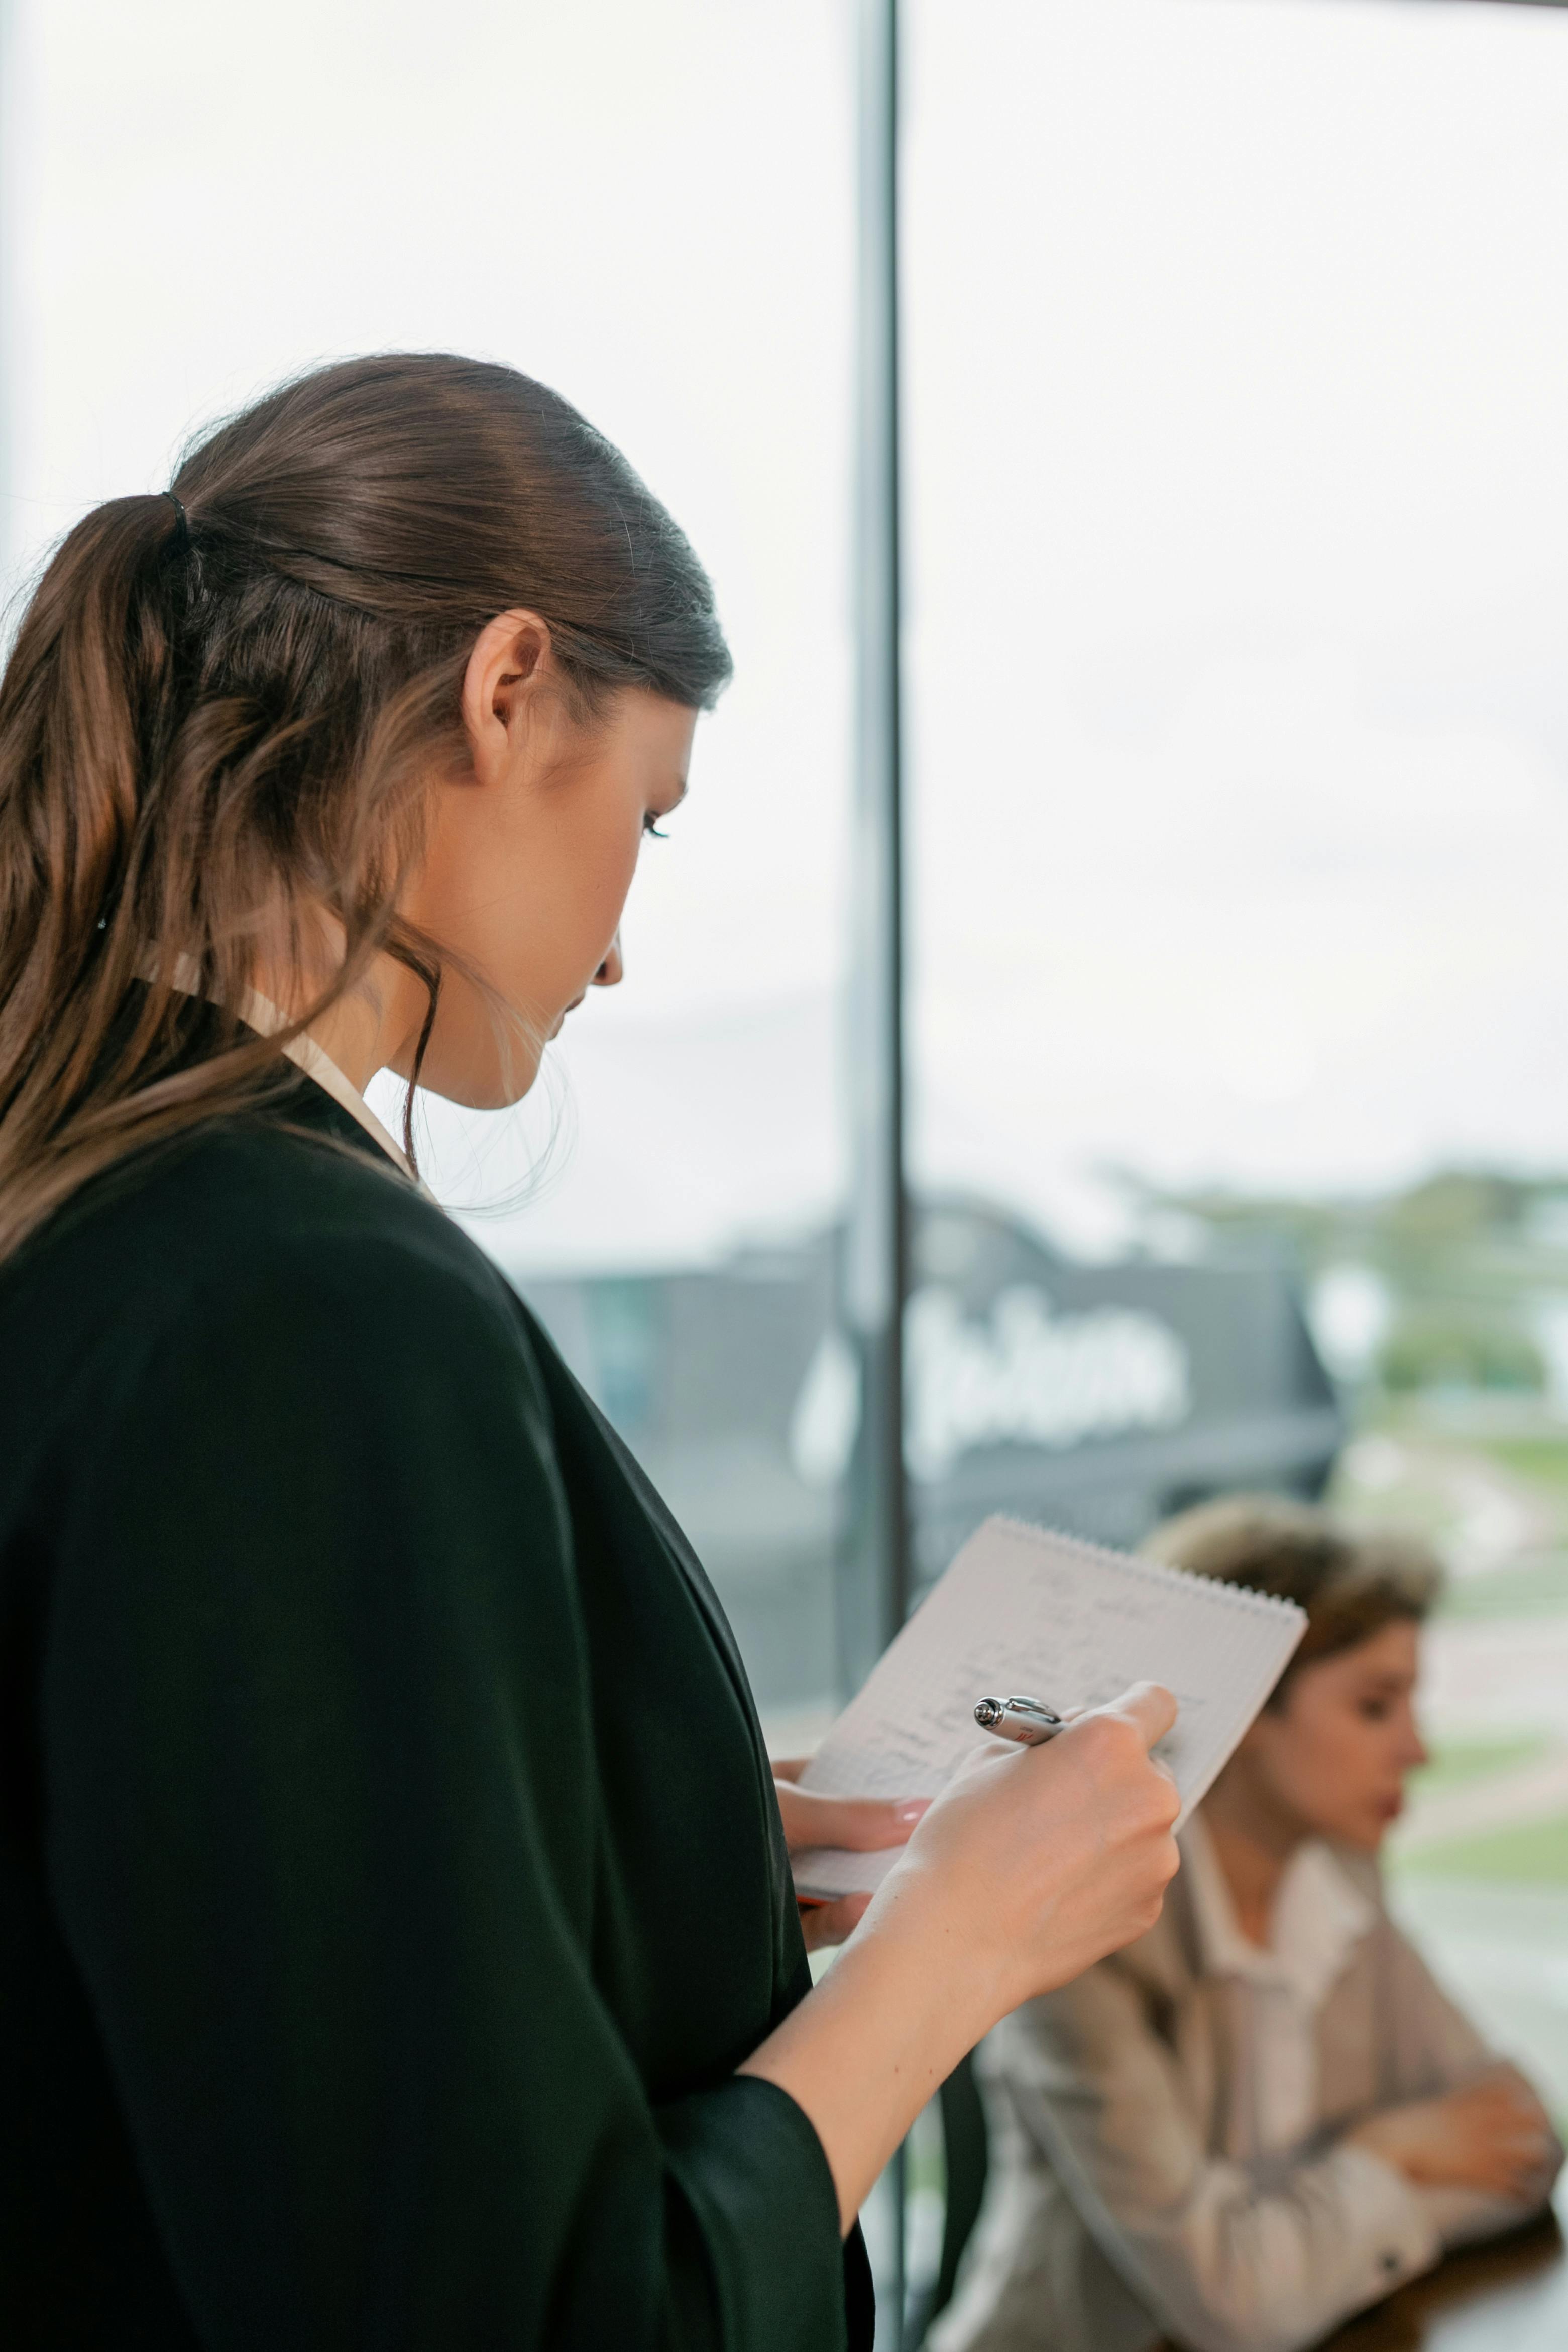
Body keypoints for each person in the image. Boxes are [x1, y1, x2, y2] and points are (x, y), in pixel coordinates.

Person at [0, 354, 1183, 2351]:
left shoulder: (103, 1229)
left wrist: (675, 1837)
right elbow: (523, 2311)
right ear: (507, 685)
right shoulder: (301, 1301)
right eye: (648, 808)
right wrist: (958, 1948)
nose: (626, 947)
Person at [930, 1494, 1563, 2352]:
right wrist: (1395, 2153)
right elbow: (1235, 2308)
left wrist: (1290, 2243)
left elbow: (1523, 2142)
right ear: (1244, 1708)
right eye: (1376, 1706)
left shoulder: (1341, 1887)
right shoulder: (1083, 1943)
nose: (1418, 1750)